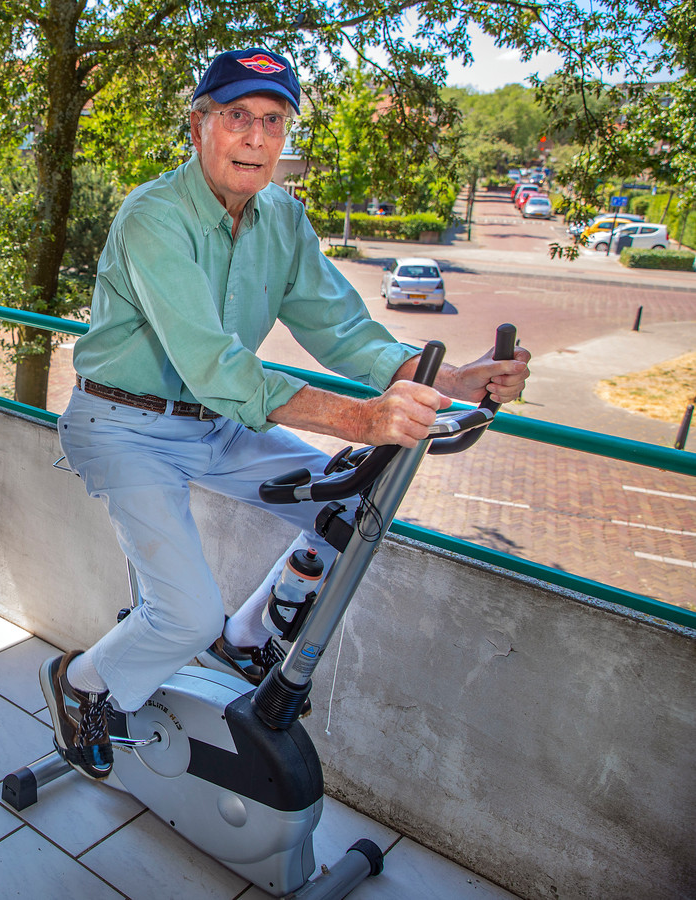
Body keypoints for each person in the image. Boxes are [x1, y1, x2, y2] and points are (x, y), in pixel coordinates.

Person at [40, 48, 531, 780]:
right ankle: (79, 684)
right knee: (182, 616)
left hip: (216, 422)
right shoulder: (153, 216)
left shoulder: (281, 218)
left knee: (354, 507)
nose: (256, 137)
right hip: (124, 427)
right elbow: (212, 363)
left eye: (273, 121)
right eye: (236, 116)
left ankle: (243, 638)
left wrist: (453, 379)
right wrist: (363, 421)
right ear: (199, 125)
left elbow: (341, 329)